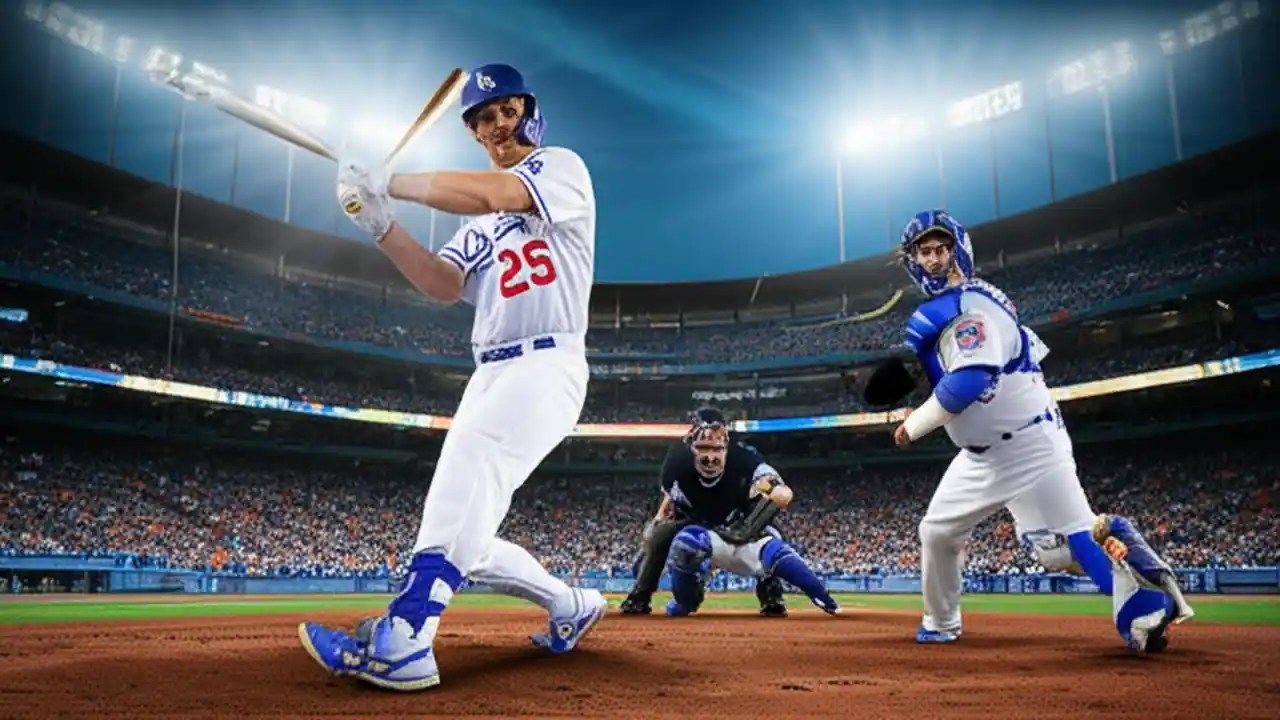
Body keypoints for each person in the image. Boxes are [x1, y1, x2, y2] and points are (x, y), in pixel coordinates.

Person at [298, 63, 605, 691]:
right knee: (472, 525)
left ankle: (407, 639)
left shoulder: (560, 168)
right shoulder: (478, 224)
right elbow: (442, 284)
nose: (497, 125)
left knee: (458, 492)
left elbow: (500, 194)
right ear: (475, 134)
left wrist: (395, 182)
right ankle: (572, 605)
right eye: (484, 120)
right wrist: (380, 223)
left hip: (546, 362)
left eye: (506, 111)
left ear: (529, 111)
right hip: (491, 370)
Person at [891, 209, 1194, 651]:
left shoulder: (969, 306)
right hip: (980, 457)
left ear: (958, 250)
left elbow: (970, 380)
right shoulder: (961, 306)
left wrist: (912, 425)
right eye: (925, 251)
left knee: (1075, 537)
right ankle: (941, 622)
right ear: (913, 260)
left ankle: (1145, 607)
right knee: (941, 532)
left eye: (941, 249)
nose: (934, 259)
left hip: (1030, 444)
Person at [633, 407, 839, 617]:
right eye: (703, 447)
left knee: (771, 538)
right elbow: (670, 495)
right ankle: (644, 594)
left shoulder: (743, 457)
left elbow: (772, 482)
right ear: (691, 444)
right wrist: (658, 523)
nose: (710, 458)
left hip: (738, 520)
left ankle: (771, 592)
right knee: (662, 537)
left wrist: (775, 488)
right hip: (696, 520)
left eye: (717, 448)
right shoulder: (676, 461)